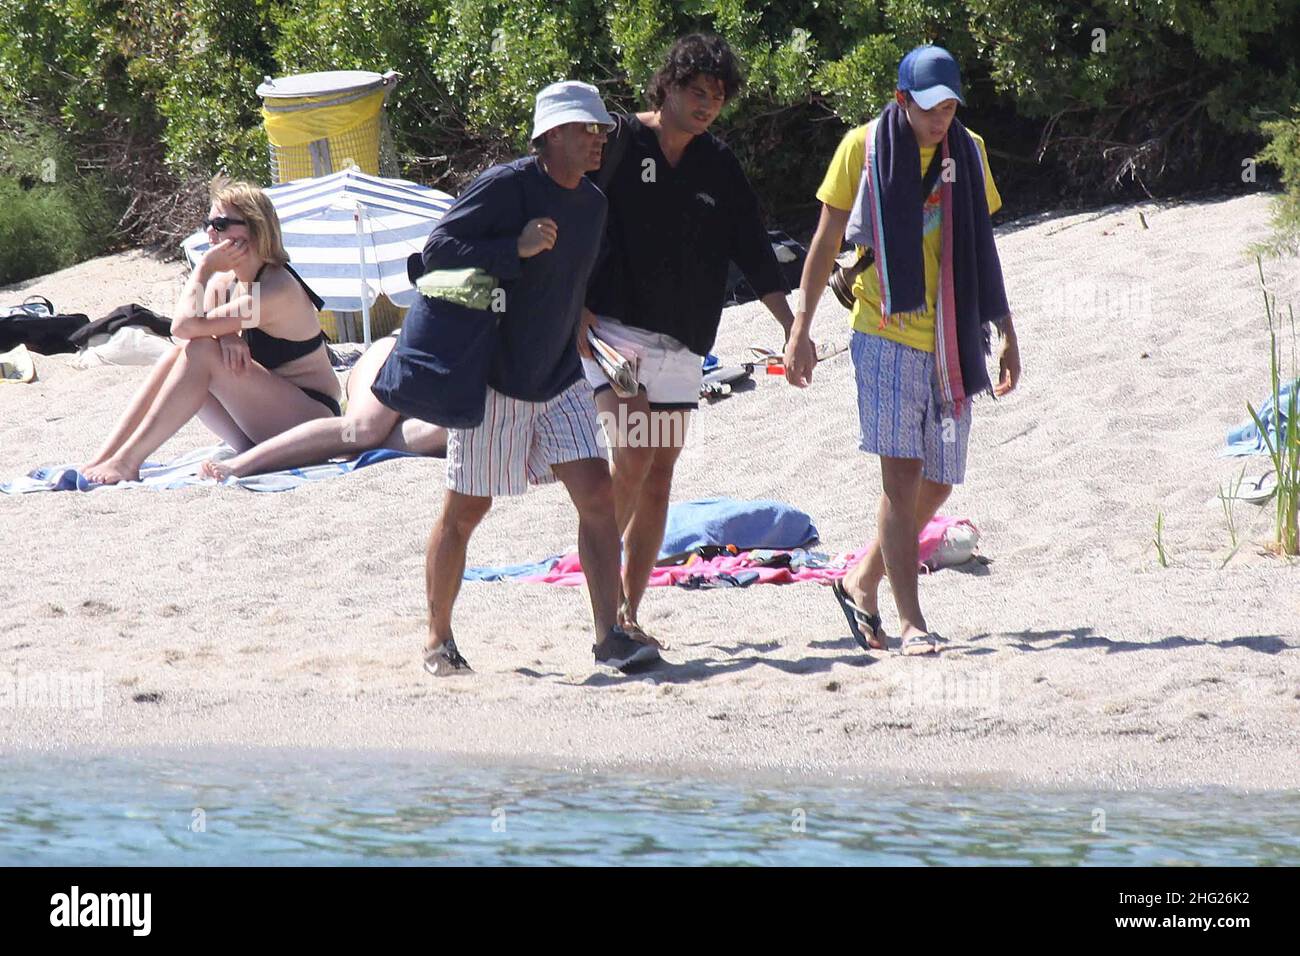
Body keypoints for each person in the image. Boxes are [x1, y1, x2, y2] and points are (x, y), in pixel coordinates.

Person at [784, 45, 1022, 655]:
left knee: (939, 481)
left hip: (952, 337)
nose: (940, 118)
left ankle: (860, 579)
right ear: (901, 100)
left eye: (949, 106)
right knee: (902, 476)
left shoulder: (968, 153)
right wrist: (800, 326)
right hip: (884, 329)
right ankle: (910, 618)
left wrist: (1006, 330)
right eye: (928, 107)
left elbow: (982, 248)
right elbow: (823, 241)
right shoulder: (860, 149)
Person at [419, 80, 659, 677]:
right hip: (496, 380)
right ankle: (437, 641)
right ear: (551, 135)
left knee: (599, 497)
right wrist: (513, 248)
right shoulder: (509, 186)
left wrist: (578, 311)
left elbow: (573, 274)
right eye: (586, 128)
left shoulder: (594, 204)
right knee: (466, 512)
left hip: (559, 377)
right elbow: (436, 250)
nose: (598, 137)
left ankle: (610, 636)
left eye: (602, 128)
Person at [580, 33, 800, 643]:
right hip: (612, 330)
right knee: (631, 456)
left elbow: (754, 249)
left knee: (659, 476)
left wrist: (791, 324)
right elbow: (571, 213)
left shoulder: (718, 165)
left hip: (685, 342)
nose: (707, 105)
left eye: (718, 96)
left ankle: (627, 612)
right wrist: (570, 306)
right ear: (669, 86)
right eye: (697, 91)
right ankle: (603, 614)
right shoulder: (619, 140)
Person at [84, 177, 342, 485]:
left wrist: (203, 269)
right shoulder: (229, 281)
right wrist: (228, 334)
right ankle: (106, 456)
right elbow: (185, 333)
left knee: (202, 351)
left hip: (310, 422)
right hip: (263, 423)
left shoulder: (276, 289)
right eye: (208, 223)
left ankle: (128, 461)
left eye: (220, 224)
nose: (210, 232)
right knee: (180, 354)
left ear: (254, 230)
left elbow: (183, 325)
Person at [198, 334, 447, 480]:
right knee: (360, 431)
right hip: (395, 362)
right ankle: (242, 464)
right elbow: (186, 324)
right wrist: (227, 332)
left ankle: (260, 453)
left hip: (316, 408)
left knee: (360, 441)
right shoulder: (262, 285)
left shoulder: (264, 284)